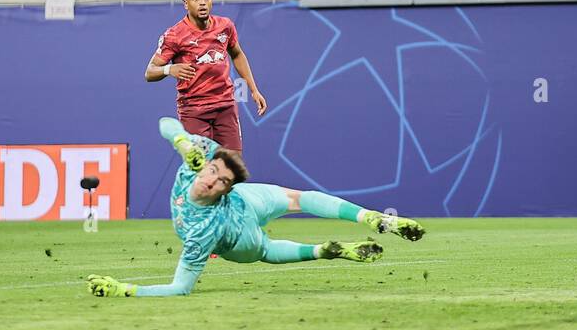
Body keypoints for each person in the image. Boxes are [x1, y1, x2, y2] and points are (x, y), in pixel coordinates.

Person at [87, 118, 425, 298]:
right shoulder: (197, 167)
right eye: (213, 172)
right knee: (280, 223)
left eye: (221, 180)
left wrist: (126, 289)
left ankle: (367, 218)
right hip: (242, 217)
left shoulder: (205, 221)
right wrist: (182, 142)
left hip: (242, 215)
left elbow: (179, 289)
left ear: (225, 190)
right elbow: (165, 123)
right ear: (205, 167)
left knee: (285, 218)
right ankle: (327, 247)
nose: (212, 179)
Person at [145, 0, 267, 151]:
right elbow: (150, 72)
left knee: (233, 165)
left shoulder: (225, 26)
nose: (202, 2)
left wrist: (254, 90)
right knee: (201, 166)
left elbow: (237, 54)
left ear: (211, 1)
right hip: (194, 110)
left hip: (225, 105)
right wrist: (169, 69)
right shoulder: (174, 35)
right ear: (186, 4)